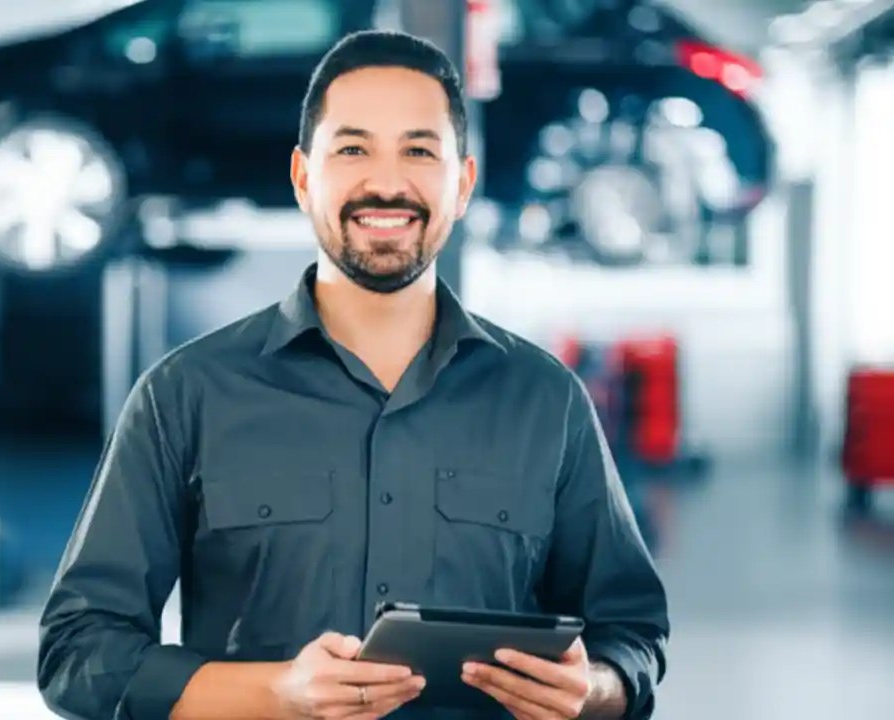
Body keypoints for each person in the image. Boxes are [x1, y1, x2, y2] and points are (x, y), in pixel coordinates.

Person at [37, 29, 669, 720]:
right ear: (305, 177)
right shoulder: (185, 396)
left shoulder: (547, 402)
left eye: (420, 151)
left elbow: (629, 637)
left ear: (462, 184)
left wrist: (594, 691)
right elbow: (78, 653)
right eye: (353, 148)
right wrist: (276, 693)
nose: (387, 183)